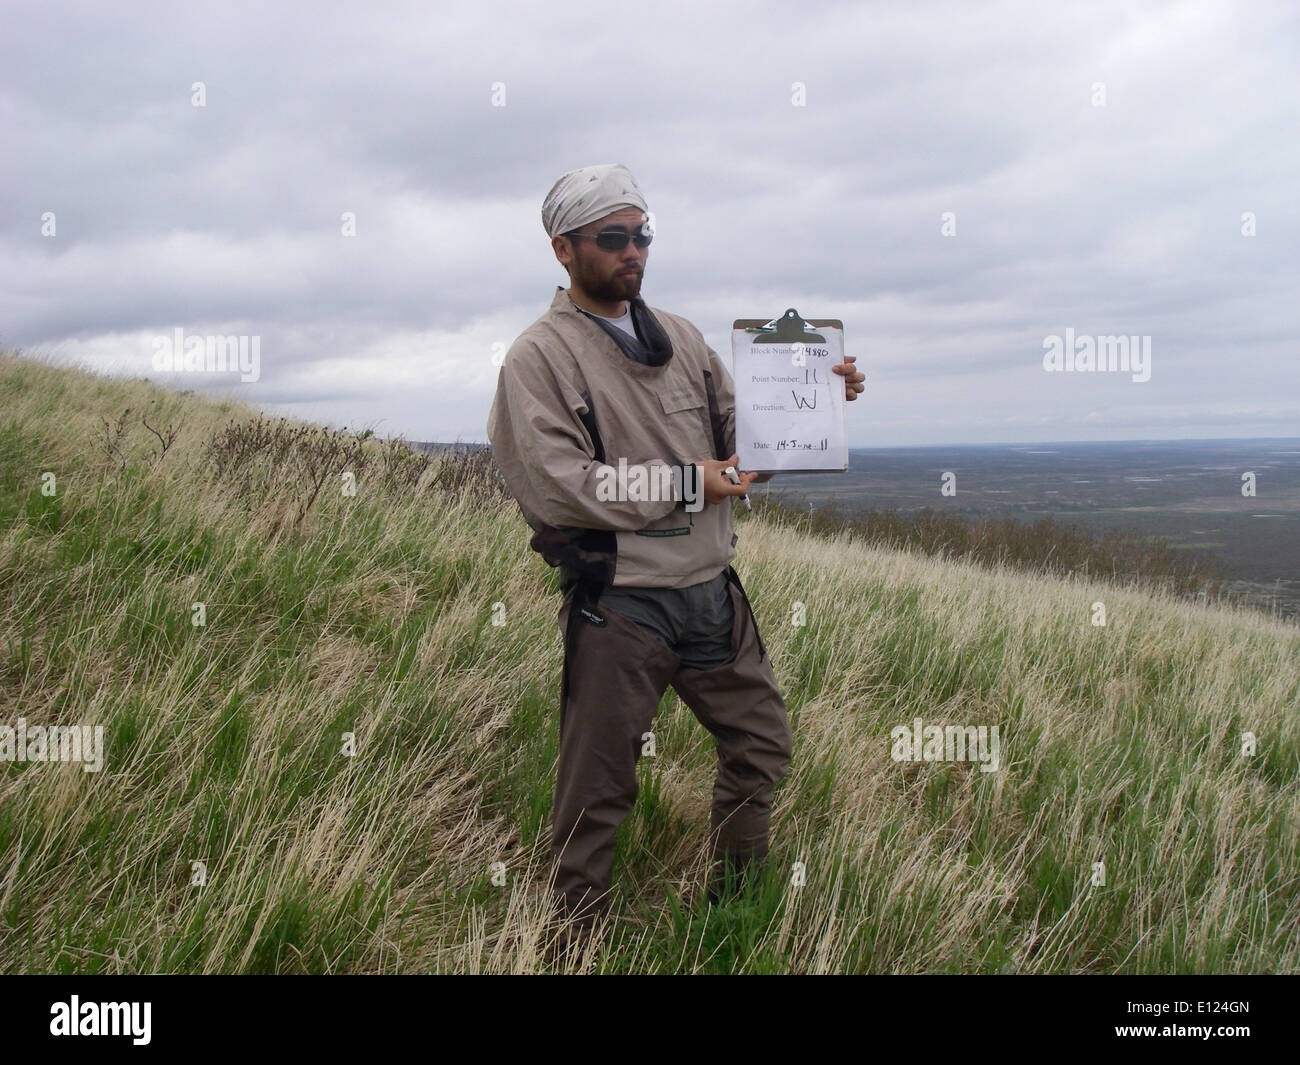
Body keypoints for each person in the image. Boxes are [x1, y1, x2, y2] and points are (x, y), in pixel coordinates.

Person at [485, 163, 865, 957]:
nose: (634, 251)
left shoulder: (685, 338)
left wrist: (817, 396)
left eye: (642, 234)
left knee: (761, 746)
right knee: (597, 793)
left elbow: (744, 441)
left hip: (711, 595)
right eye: (614, 238)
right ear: (563, 248)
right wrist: (692, 481)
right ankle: (571, 947)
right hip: (622, 602)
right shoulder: (539, 360)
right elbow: (562, 488)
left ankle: (730, 909)